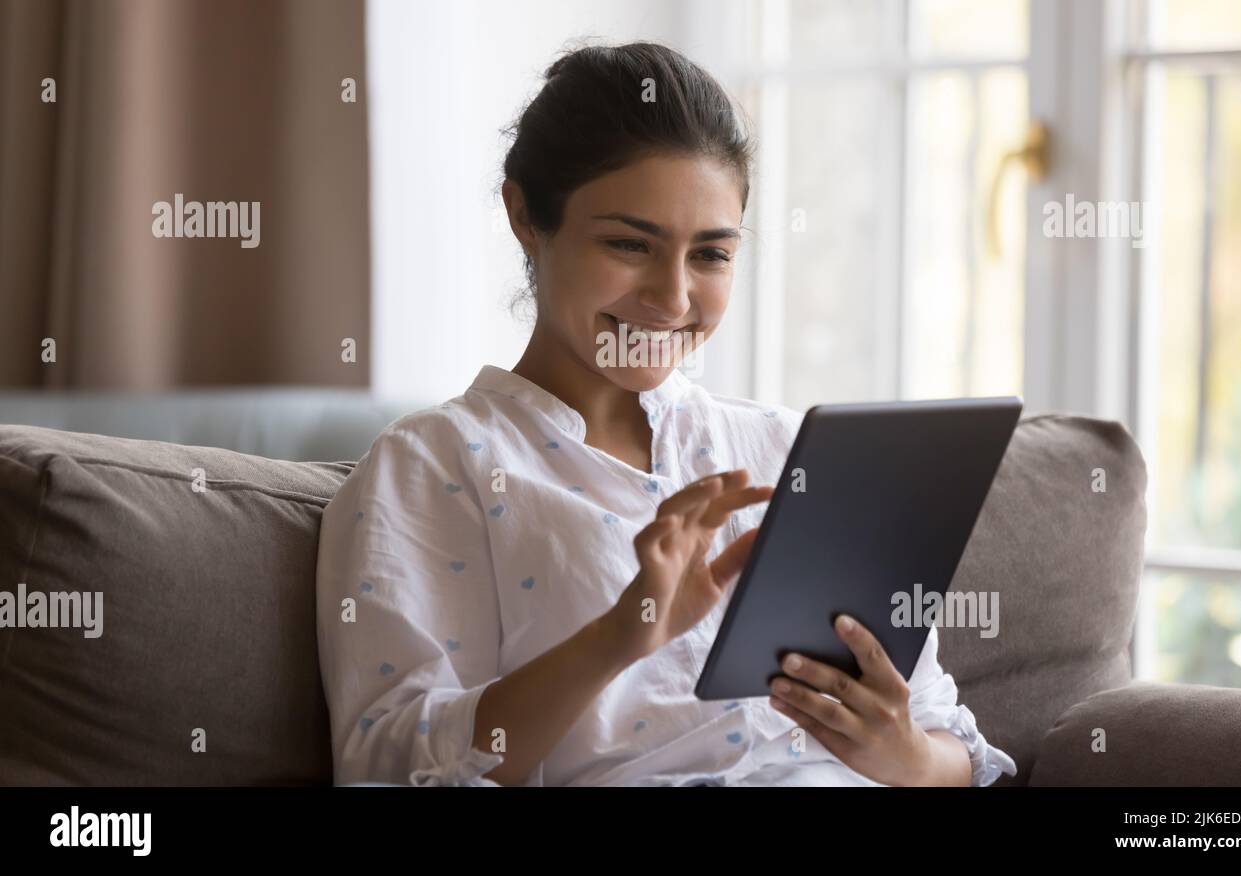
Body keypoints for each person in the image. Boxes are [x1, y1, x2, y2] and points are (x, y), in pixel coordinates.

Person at [315, 41, 1018, 787]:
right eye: (629, 244)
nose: (674, 298)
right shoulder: (433, 466)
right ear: (524, 216)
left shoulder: (791, 450)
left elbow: (951, 751)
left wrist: (900, 752)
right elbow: (389, 766)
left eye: (711, 255)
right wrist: (619, 636)